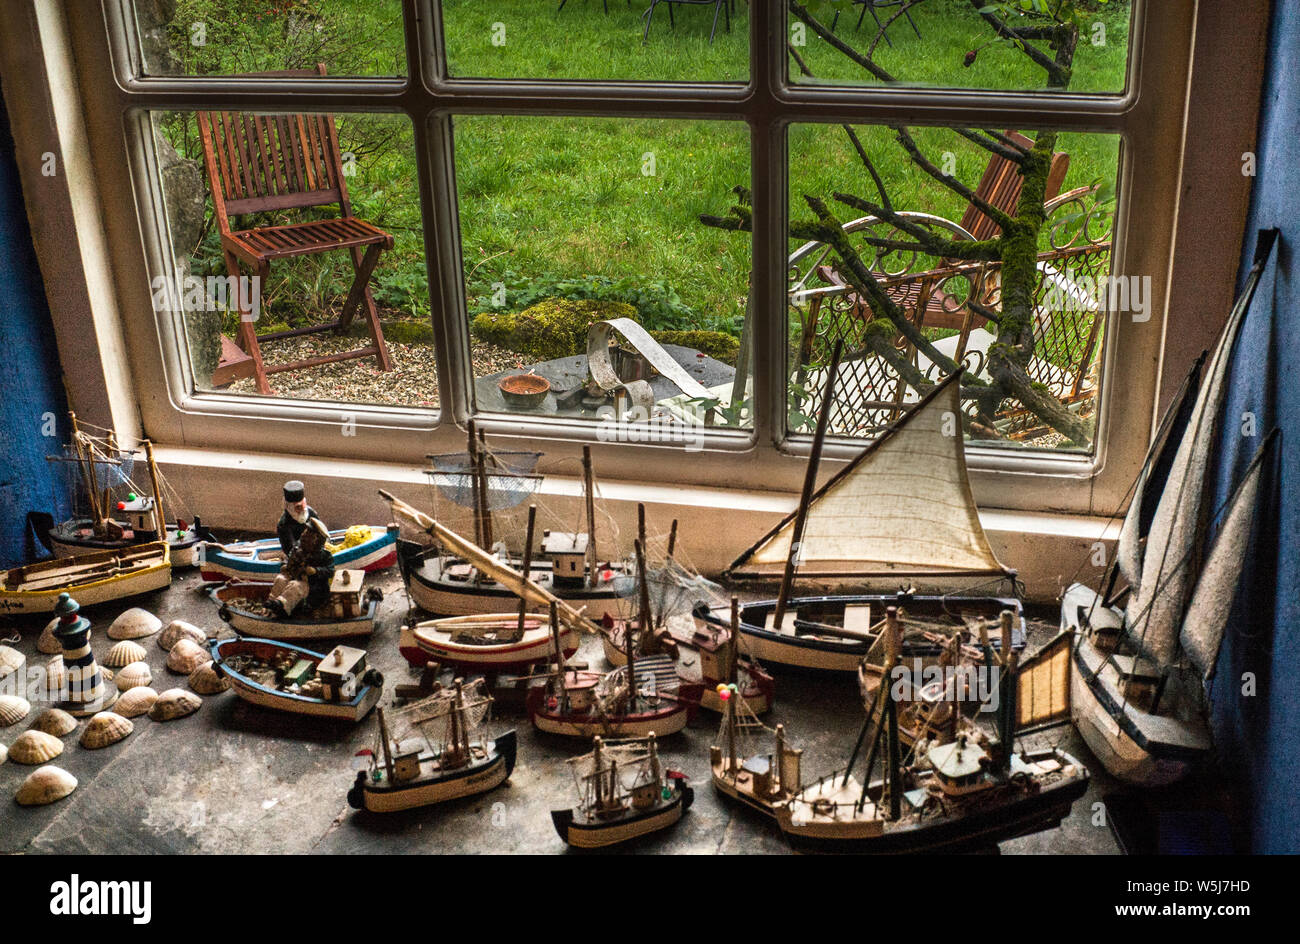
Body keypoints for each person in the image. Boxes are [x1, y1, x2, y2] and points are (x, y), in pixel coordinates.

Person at [268, 516, 335, 619]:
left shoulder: (324, 556)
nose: (304, 535)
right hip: (295, 577)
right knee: (280, 579)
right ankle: (272, 603)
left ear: (317, 540)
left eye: (309, 534)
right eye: (305, 532)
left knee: (295, 586)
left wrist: (315, 571)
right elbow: (289, 558)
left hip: (313, 588)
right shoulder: (297, 549)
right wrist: (285, 565)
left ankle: (282, 607)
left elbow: (330, 571)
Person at [277, 480, 322, 557]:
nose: (303, 509)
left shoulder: (310, 512)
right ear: (289, 507)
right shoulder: (284, 524)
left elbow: (321, 530)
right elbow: (290, 549)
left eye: (304, 505)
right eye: (298, 507)